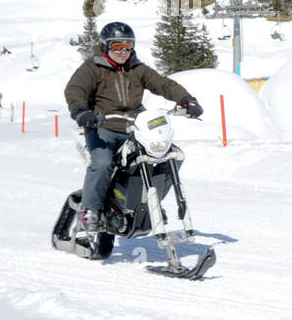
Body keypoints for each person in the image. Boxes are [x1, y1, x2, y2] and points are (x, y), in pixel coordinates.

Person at [63, 21, 203, 232]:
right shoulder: (93, 67)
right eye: (118, 46)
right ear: (106, 45)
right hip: (103, 127)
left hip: (136, 128)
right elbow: (75, 89)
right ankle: (90, 210)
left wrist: (186, 99)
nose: (124, 52)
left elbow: (163, 84)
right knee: (102, 163)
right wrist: (81, 111)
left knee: (171, 156)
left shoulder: (137, 68)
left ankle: (150, 205)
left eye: (129, 46)